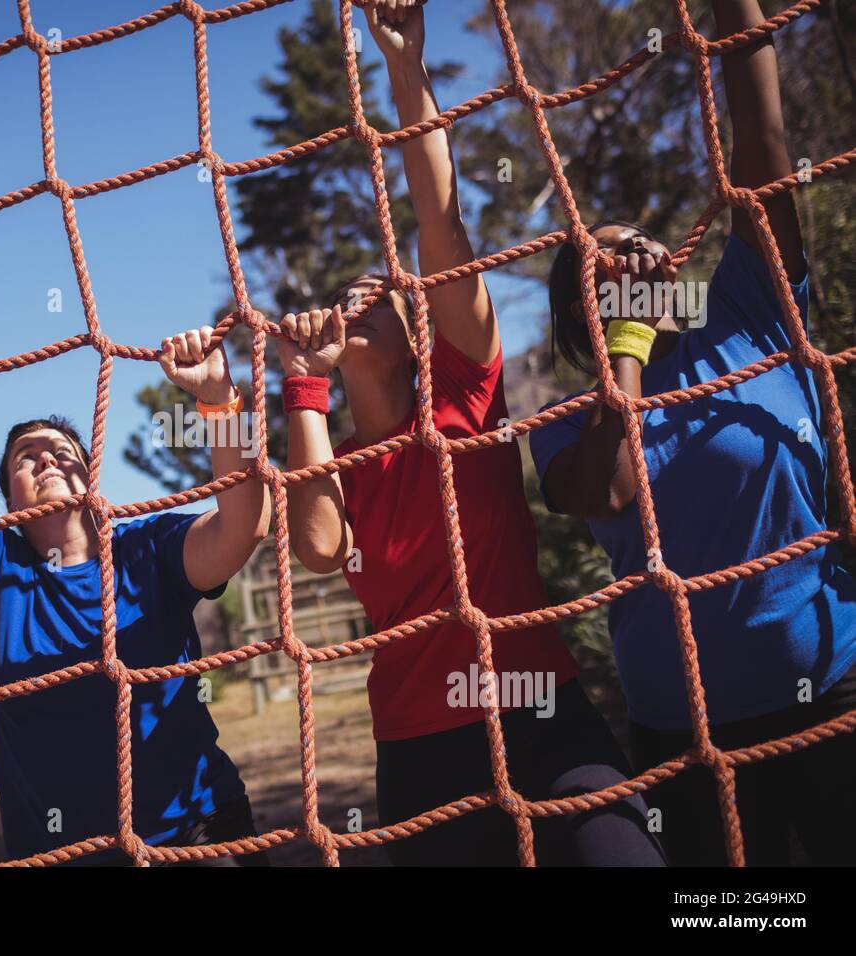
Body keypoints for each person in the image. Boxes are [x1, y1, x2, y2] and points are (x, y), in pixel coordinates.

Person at [279, 1, 664, 866]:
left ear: (422, 335)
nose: (356, 299)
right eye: (348, 298)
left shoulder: (463, 397)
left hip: (541, 707)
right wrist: (300, 384)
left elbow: (442, 227)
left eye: (380, 294)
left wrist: (405, 69)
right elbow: (314, 546)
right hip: (422, 746)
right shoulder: (334, 463)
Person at [529, 0, 856, 866]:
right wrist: (629, 335)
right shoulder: (564, 429)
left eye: (640, 246)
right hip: (686, 731)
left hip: (831, 684)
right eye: (608, 262)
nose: (636, 256)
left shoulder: (751, 322)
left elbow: (764, 144)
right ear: (577, 309)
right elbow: (609, 488)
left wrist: (735, 11)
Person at [0, 210, 272, 865]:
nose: (46, 458)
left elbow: (244, 525)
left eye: (60, 449)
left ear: (90, 473)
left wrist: (219, 401)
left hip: (195, 836)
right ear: (6, 498)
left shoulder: (146, 552)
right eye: (26, 456)